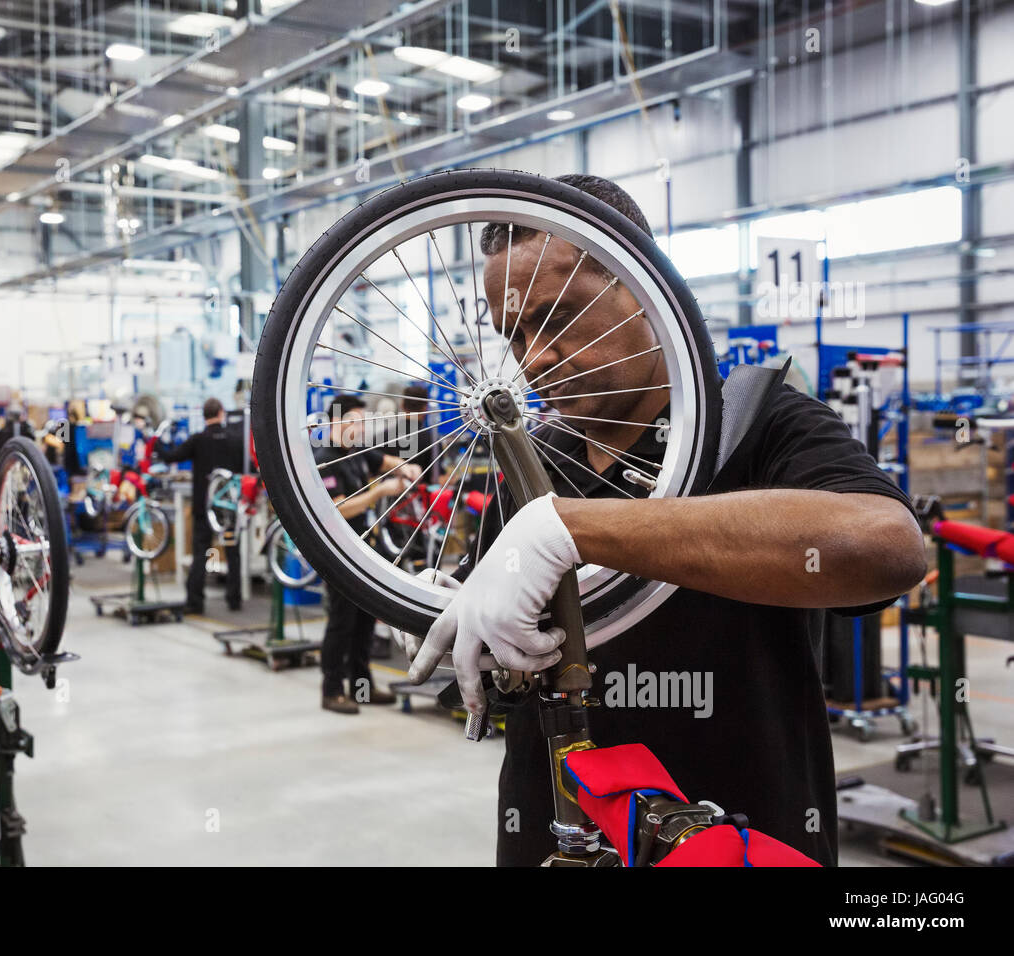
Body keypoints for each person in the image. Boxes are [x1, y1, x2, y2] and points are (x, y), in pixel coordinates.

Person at [403, 174, 926, 866]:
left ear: (644, 290)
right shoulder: (537, 460)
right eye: (513, 333)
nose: (532, 360)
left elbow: (886, 548)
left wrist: (579, 528)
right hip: (556, 831)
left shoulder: (755, 423)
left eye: (554, 320)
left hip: (735, 835)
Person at [315, 394, 424, 714]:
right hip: (338, 552)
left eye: (363, 422)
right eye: (354, 421)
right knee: (342, 622)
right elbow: (338, 507)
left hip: (364, 548)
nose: (360, 428)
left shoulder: (356, 451)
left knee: (365, 619)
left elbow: (386, 462)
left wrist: (409, 468)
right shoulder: (326, 457)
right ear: (336, 421)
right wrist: (378, 491)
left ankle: (361, 690)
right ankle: (331, 689)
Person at [159, 397, 246, 614]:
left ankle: (195, 602)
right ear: (221, 413)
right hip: (228, 510)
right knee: (232, 553)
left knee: (201, 553)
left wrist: (155, 441)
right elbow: (249, 466)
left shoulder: (198, 439)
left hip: (204, 509)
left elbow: (170, 457)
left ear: (204, 416)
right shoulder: (235, 439)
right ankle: (234, 600)